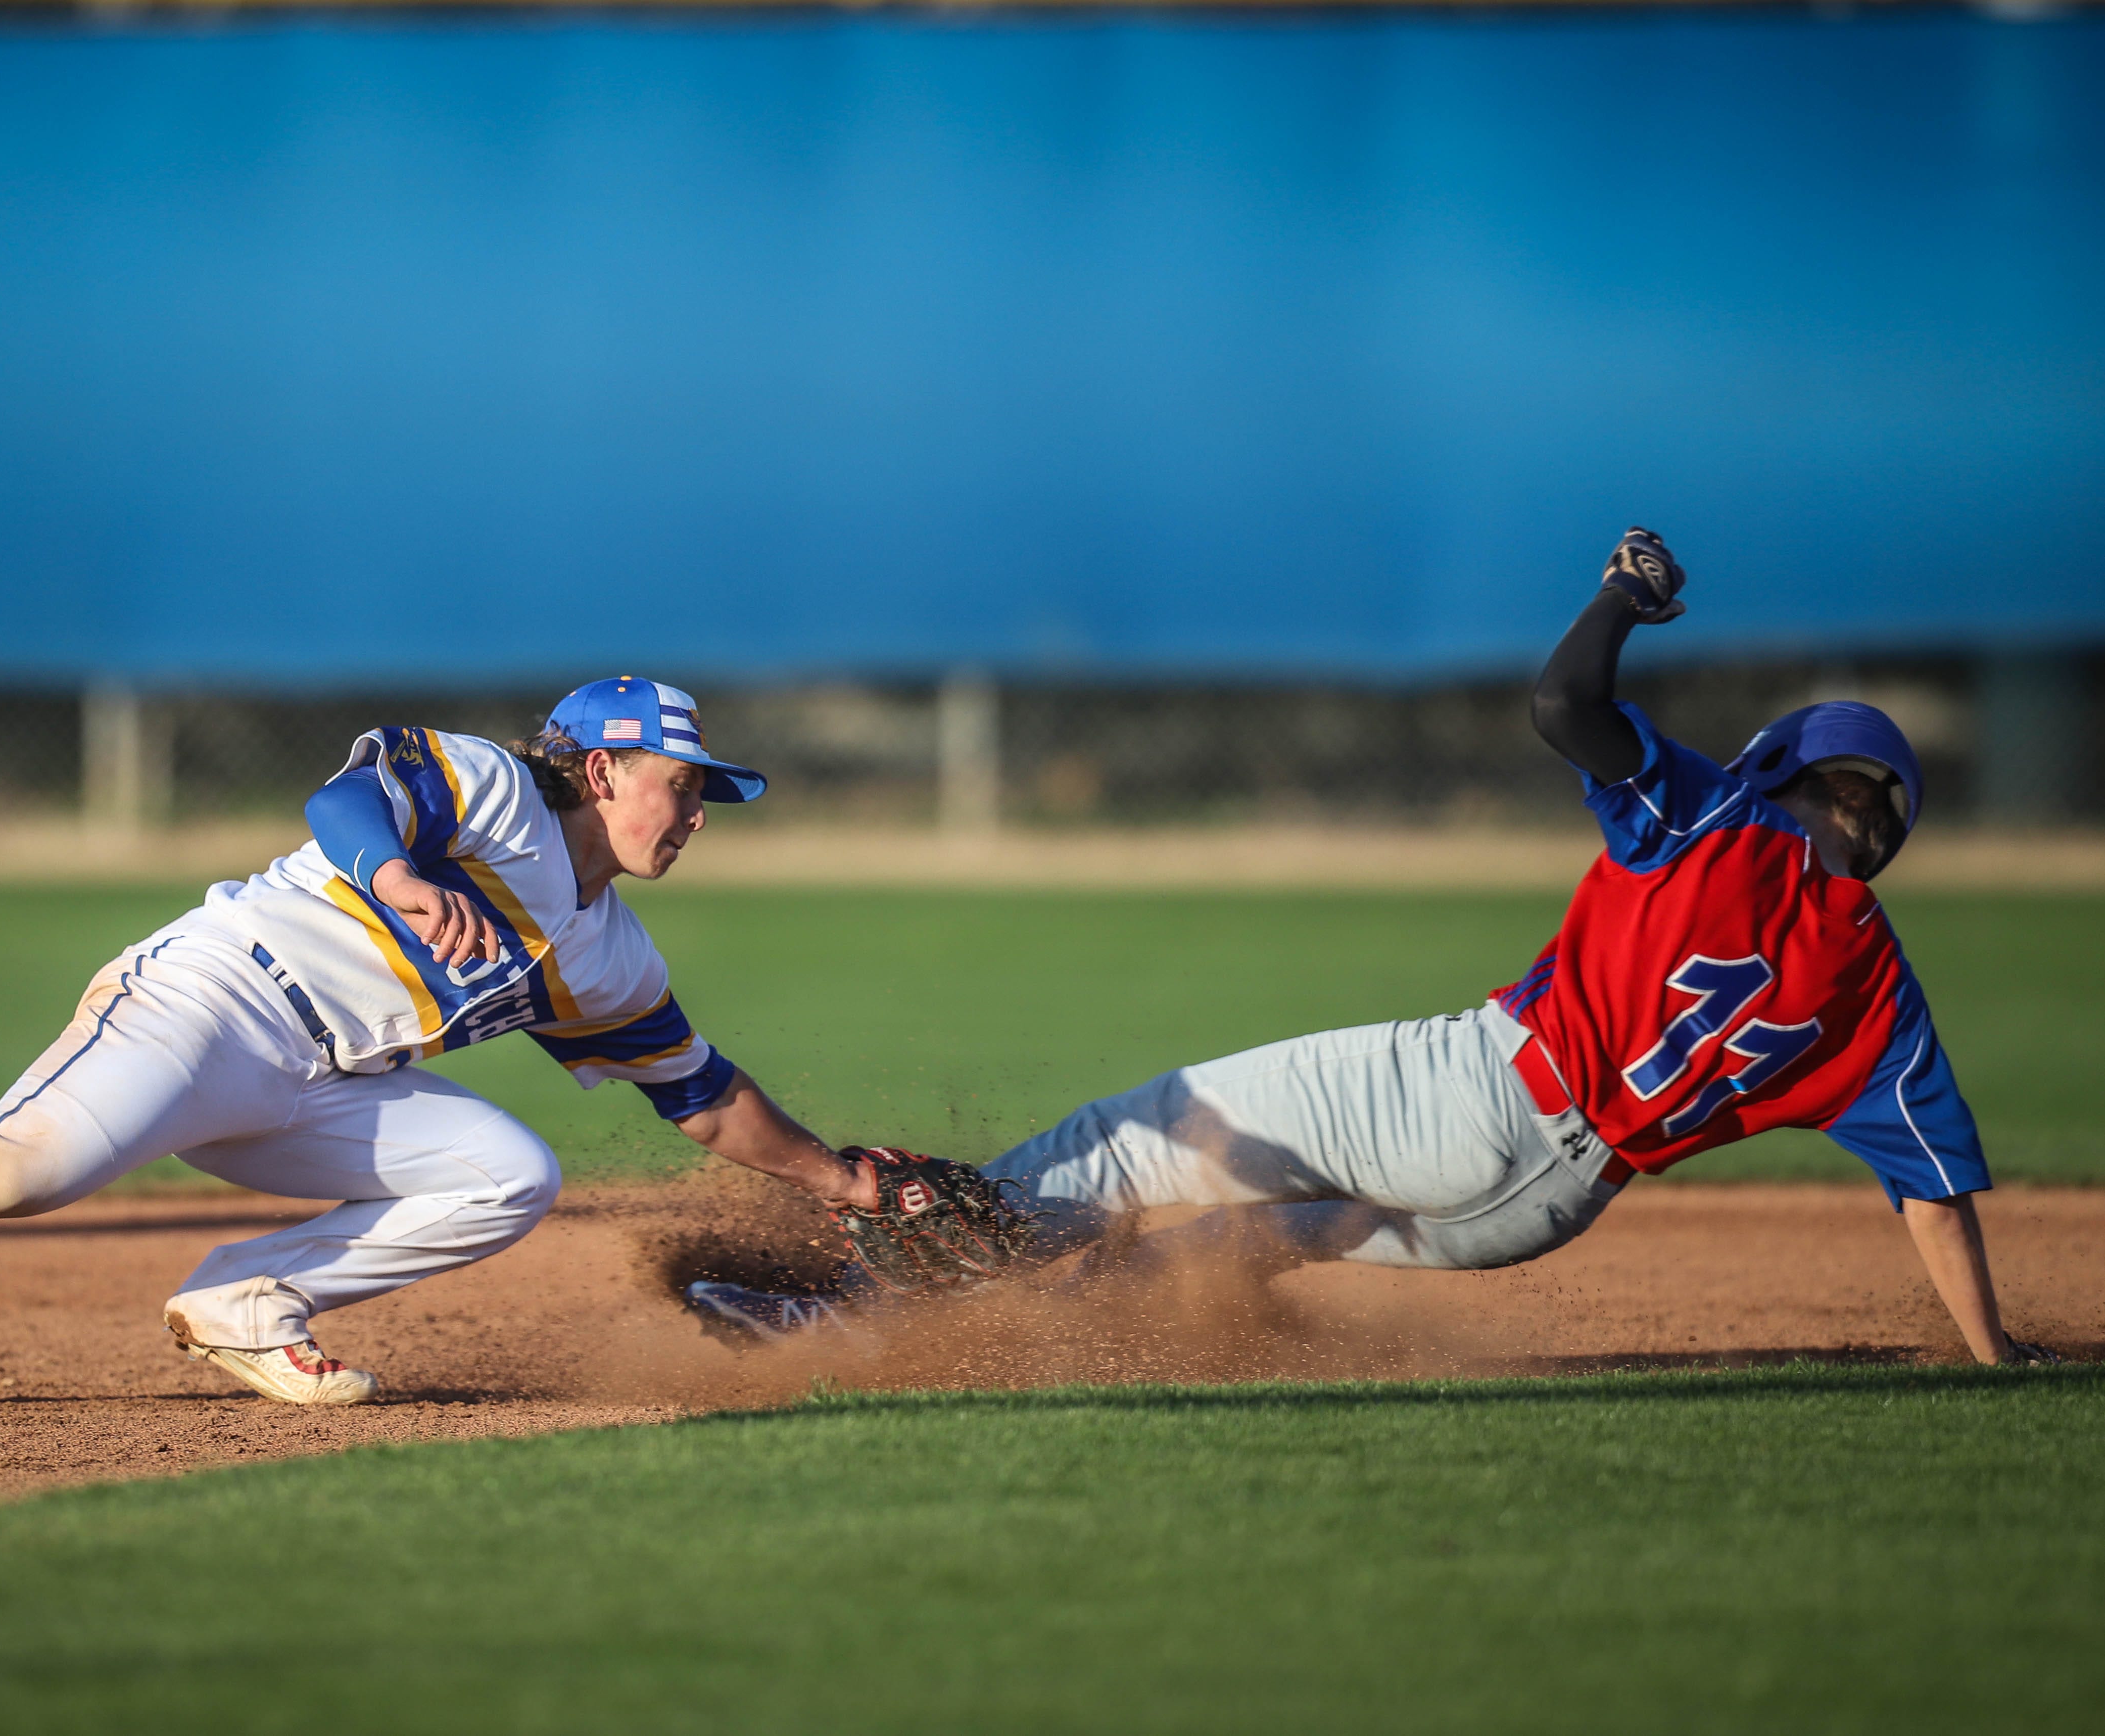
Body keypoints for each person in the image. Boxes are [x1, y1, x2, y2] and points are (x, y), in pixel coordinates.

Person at [688, 530, 2056, 1366]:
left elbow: (1561, 701)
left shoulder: (1710, 817)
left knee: (1126, 1145)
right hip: (1539, 1214)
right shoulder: (1878, 992)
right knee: (1244, 1241)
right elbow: (1931, 1195)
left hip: (1480, 1092)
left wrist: (1621, 595)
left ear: (1780, 769)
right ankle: (1017, 1352)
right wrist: (1990, 1356)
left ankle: (856, 1318)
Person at [0, 678, 880, 1404]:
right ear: (596, 767)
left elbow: (697, 1096)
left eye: (709, 794)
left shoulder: (610, 953)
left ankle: (247, 1294)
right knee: (18, 1169)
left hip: (323, 1084)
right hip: (214, 1000)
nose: (698, 808)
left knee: (507, 1172)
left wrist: (840, 1178)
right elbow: (349, 795)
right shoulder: (488, 793)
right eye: (681, 780)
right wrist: (403, 878)